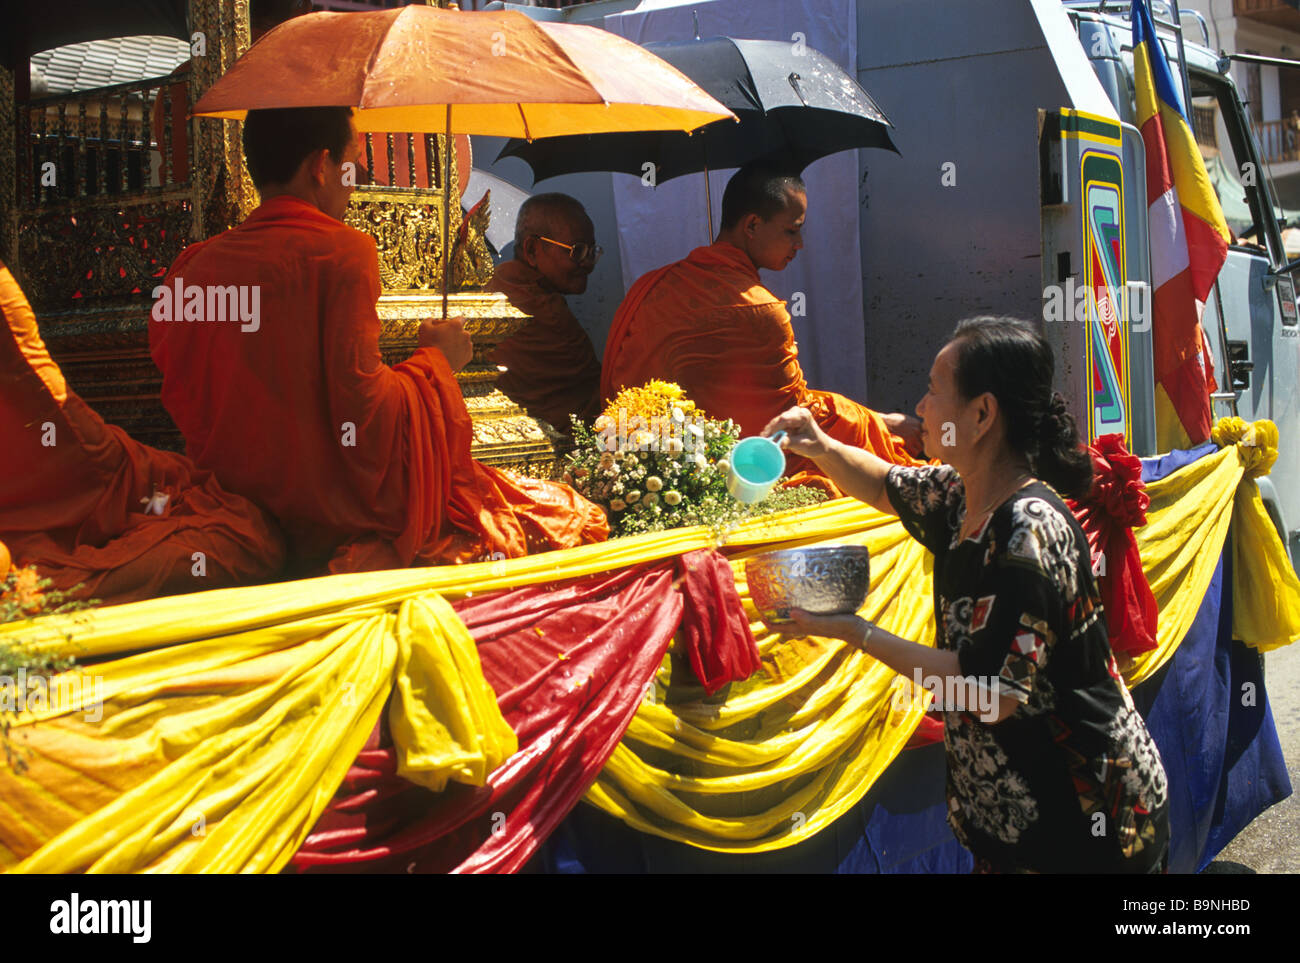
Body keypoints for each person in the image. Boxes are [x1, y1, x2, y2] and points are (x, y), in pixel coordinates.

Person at [764, 316, 1169, 873]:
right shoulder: (961, 495)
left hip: (1084, 820)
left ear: (981, 415)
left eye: (934, 390)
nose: (921, 407)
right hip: (1016, 827)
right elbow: (884, 483)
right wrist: (819, 445)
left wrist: (856, 632)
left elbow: (989, 696)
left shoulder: (1027, 529)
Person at [149, 107, 607, 576]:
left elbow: (185, 383)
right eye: (353, 165)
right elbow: (366, 422)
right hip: (326, 518)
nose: (354, 182)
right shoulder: (341, 252)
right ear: (320, 165)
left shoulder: (192, 269)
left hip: (228, 503)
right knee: (572, 519)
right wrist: (435, 362)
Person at [601, 163, 923, 492]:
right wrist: (880, 423)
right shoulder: (760, 310)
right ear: (752, 224)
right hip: (732, 477)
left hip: (644, 475)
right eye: (791, 230)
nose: (800, 244)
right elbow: (791, 423)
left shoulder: (651, 286)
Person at [0, 260, 285, 605]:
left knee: (242, 534)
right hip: (86, 481)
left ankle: (50, 593)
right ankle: (48, 594)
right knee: (250, 538)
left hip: (113, 484)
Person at [485, 193, 603, 430]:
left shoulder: (495, 283)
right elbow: (592, 403)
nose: (588, 263)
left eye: (592, 251)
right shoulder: (543, 312)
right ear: (531, 250)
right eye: (576, 251)